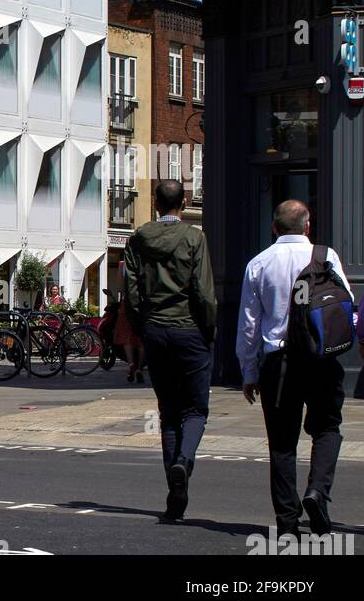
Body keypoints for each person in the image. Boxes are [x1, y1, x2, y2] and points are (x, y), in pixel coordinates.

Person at [237, 199, 352, 536]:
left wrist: (248, 372)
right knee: (327, 428)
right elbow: (345, 301)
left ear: (274, 227)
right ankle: (317, 491)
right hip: (320, 359)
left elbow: (248, 326)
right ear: (307, 225)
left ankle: (287, 522)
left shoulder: (258, 264)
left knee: (282, 444)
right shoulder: (325, 256)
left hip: (279, 363)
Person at [124, 179, 216, 522]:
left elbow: (131, 293)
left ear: (155, 202)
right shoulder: (194, 238)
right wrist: (209, 330)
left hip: (156, 330)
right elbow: (204, 292)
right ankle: (184, 461)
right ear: (185, 201)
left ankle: (174, 497)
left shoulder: (138, 240)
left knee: (169, 413)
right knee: (195, 409)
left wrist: (141, 329)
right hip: (189, 328)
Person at [114, 262, 144, 384]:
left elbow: (120, 288)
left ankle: (131, 364)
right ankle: (140, 368)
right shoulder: (145, 260)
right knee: (142, 338)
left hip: (127, 304)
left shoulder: (123, 265)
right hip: (143, 304)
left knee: (126, 336)